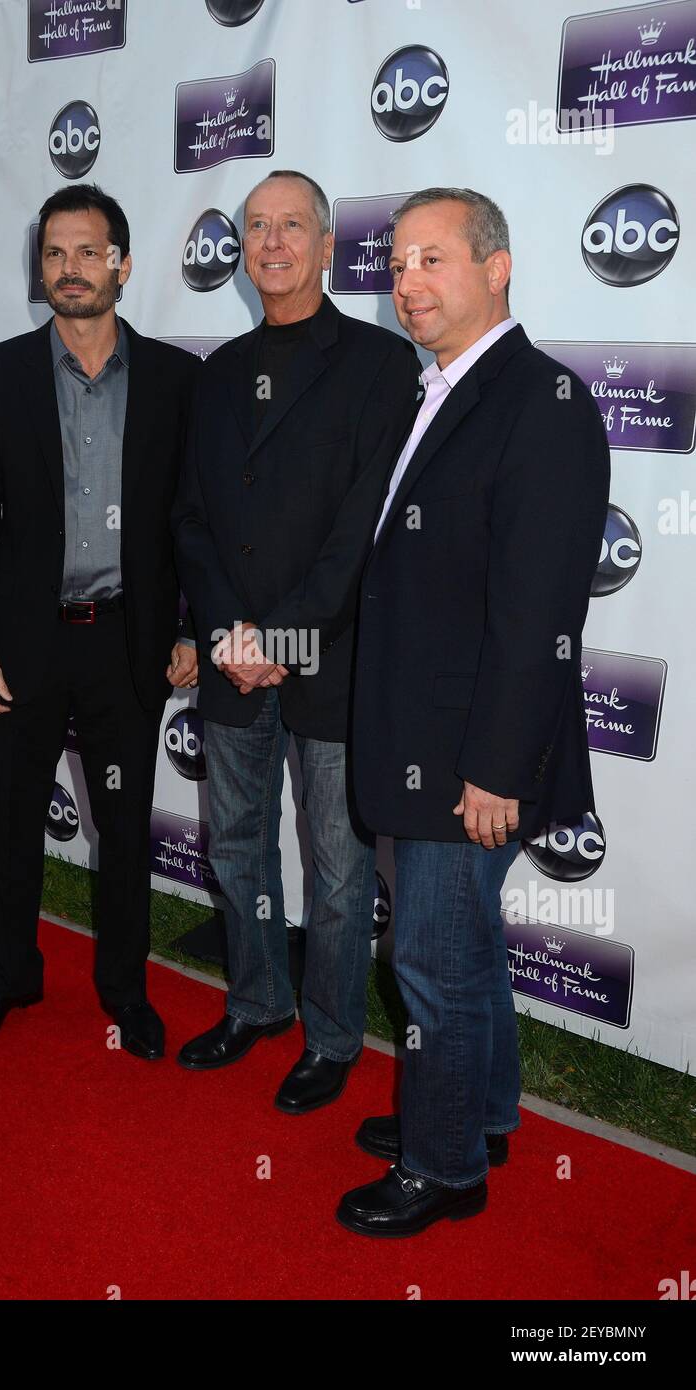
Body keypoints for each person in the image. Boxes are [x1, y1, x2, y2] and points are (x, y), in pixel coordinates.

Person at [338, 188, 610, 1236]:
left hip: (468, 758)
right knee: (464, 951)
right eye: (399, 262)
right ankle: (484, 1112)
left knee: (432, 967)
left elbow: (539, 607)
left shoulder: (539, 401)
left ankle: (443, 1164)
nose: (408, 281)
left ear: (497, 268)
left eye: (433, 259)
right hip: (423, 743)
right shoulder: (443, 390)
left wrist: (496, 768)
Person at [172, 170, 420, 1113]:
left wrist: (280, 636)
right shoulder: (219, 371)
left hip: (330, 659)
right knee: (236, 843)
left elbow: (363, 527)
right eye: (255, 227)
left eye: (292, 227)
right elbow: (191, 519)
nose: (271, 242)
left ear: (326, 247)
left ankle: (330, 1037)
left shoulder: (378, 364)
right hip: (238, 657)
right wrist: (234, 633)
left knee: (337, 861)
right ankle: (255, 1003)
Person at [0, 183, 198, 1059]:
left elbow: (191, 525)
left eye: (88, 252)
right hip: (24, 645)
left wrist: (192, 629)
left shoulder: (174, 379)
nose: (70, 269)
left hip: (126, 643)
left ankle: (126, 987)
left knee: (124, 830)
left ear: (122, 263)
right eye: (54, 254)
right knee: (14, 816)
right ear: (38, 267)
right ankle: (11, 973)